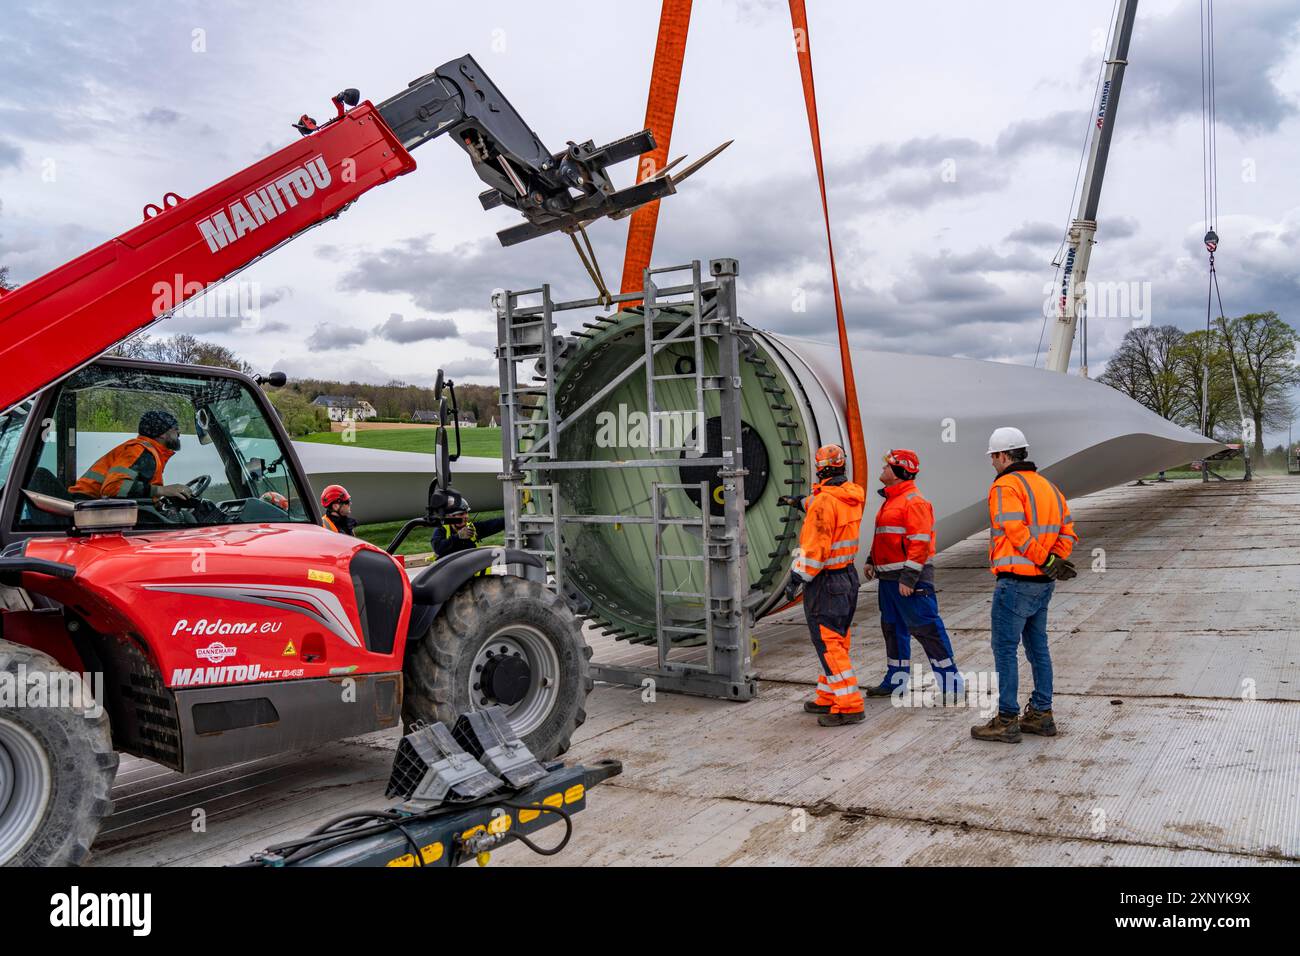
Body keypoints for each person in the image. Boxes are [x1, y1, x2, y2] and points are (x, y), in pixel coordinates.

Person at [972, 427, 1079, 744]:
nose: (992, 462)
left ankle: (1007, 719)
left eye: (994, 457)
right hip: (1043, 584)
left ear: (1004, 455)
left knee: (1005, 651)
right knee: (1038, 649)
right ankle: (1041, 714)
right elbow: (1068, 529)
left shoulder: (1005, 486)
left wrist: (1045, 560)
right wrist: (1055, 561)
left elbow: (1015, 531)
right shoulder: (1048, 486)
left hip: (1015, 583)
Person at [862, 449, 963, 702]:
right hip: (888, 581)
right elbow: (887, 536)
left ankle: (952, 686)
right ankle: (895, 681)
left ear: (898, 473)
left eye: (887, 466)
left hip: (909, 582)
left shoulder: (913, 502)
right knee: (893, 629)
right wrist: (871, 559)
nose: (882, 469)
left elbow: (920, 542)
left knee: (928, 630)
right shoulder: (892, 500)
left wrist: (908, 578)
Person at [778, 443, 866, 727]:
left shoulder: (824, 503)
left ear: (820, 469)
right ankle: (828, 696)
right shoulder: (851, 495)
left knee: (828, 644)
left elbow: (815, 549)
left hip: (825, 582)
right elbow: (824, 504)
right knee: (838, 640)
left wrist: (797, 577)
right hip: (847, 578)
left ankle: (849, 705)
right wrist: (800, 501)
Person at [69, 410, 193, 502]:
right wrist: (162, 490)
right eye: (175, 429)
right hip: (87, 506)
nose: (179, 433)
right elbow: (113, 488)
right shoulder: (141, 451)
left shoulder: (150, 452)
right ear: (162, 434)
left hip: (96, 506)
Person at [431, 495, 505, 562]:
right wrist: (458, 536)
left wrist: (509, 519)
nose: (466, 516)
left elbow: (493, 524)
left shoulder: (471, 528)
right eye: (461, 514)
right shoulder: (441, 530)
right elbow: (438, 548)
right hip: (450, 574)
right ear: (450, 516)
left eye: (466, 512)